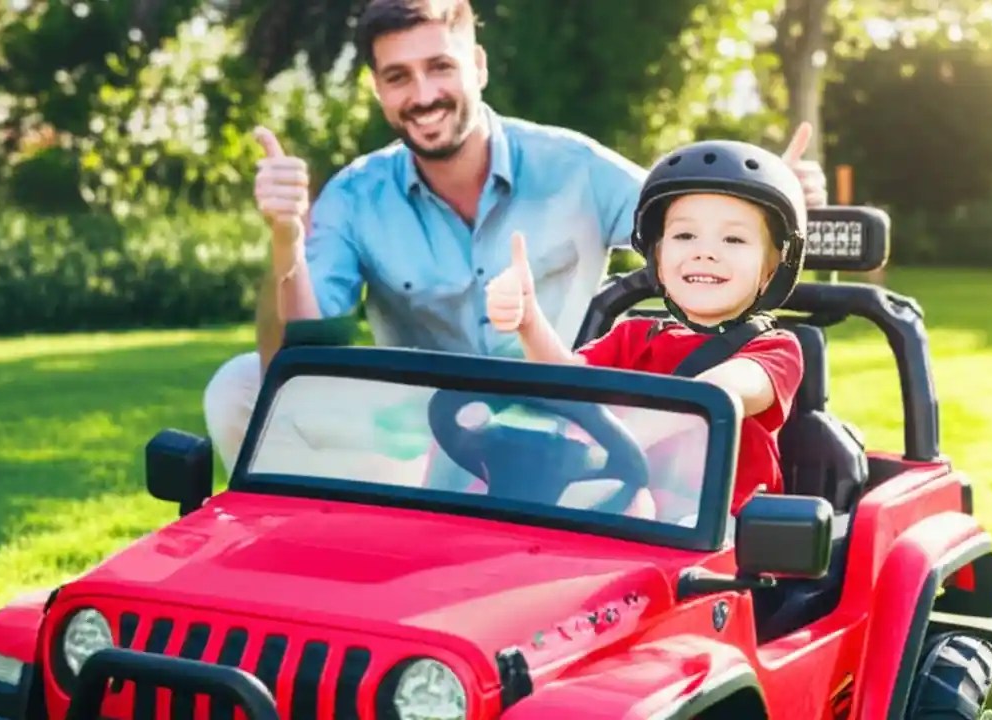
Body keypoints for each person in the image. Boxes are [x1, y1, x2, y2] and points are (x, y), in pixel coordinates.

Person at [203, 0, 828, 473]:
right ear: (376, 87)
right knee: (238, 385)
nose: (423, 95)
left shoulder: (574, 166)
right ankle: (308, 552)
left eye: (439, 67)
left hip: (564, 419)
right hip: (420, 430)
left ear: (476, 66)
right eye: (398, 77)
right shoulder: (354, 196)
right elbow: (292, 358)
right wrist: (284, 239)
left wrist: (772, 199)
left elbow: (694, 222)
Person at [485, 140, 808, 516]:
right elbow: (566, 385)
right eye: (685, 236)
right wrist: (529, 321)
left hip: (724, 541)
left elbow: (723, 390)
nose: (705, 252)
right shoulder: (632, 337)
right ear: (657, 254)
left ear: (771, 270)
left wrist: (624, 438)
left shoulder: (775, 349)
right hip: (624, 521)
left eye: (733, 239)